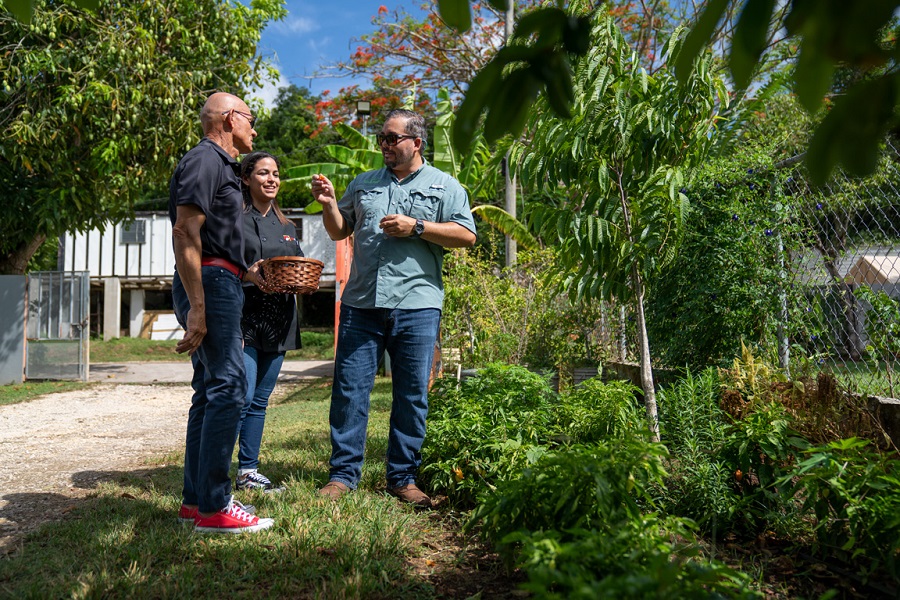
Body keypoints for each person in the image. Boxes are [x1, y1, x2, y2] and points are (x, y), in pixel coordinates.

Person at [311, 108, 477, 507]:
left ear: (416, 143)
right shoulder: (364, 183)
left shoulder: (444, 185)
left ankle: (402, 478)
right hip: (361, 303)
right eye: (382, 139)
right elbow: (339, 230)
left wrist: (417, 227)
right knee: (350, 391)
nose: (383, 144)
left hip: (417, 305)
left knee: (411, 394)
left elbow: (466, 235)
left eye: (391, 138)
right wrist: (331, 203)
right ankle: (343, 475)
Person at [169, 92, 273, 533]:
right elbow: (185, 230)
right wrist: (198, 306)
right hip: (208, 284)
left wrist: (246, 272)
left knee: (210, 390)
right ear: (230, 119)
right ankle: (215, 506)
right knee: (230, 388)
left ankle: (195, 502)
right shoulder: (205, 159)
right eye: (250, 119)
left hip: (222, 278)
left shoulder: (221, 166)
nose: (254, 128)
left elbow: (210, 236)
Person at [234, 151, 304, 493]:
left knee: (260, 400)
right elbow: (222, 263)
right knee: (241, 396)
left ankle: (248, 471)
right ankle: (216, 470)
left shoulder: (287, 225)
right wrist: (246, 273)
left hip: (279, 319)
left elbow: (298, 265)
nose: (272, 179)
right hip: (243, 316)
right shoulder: (233, 218)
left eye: (276, 173)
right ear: (247, 179)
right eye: (263, 173)